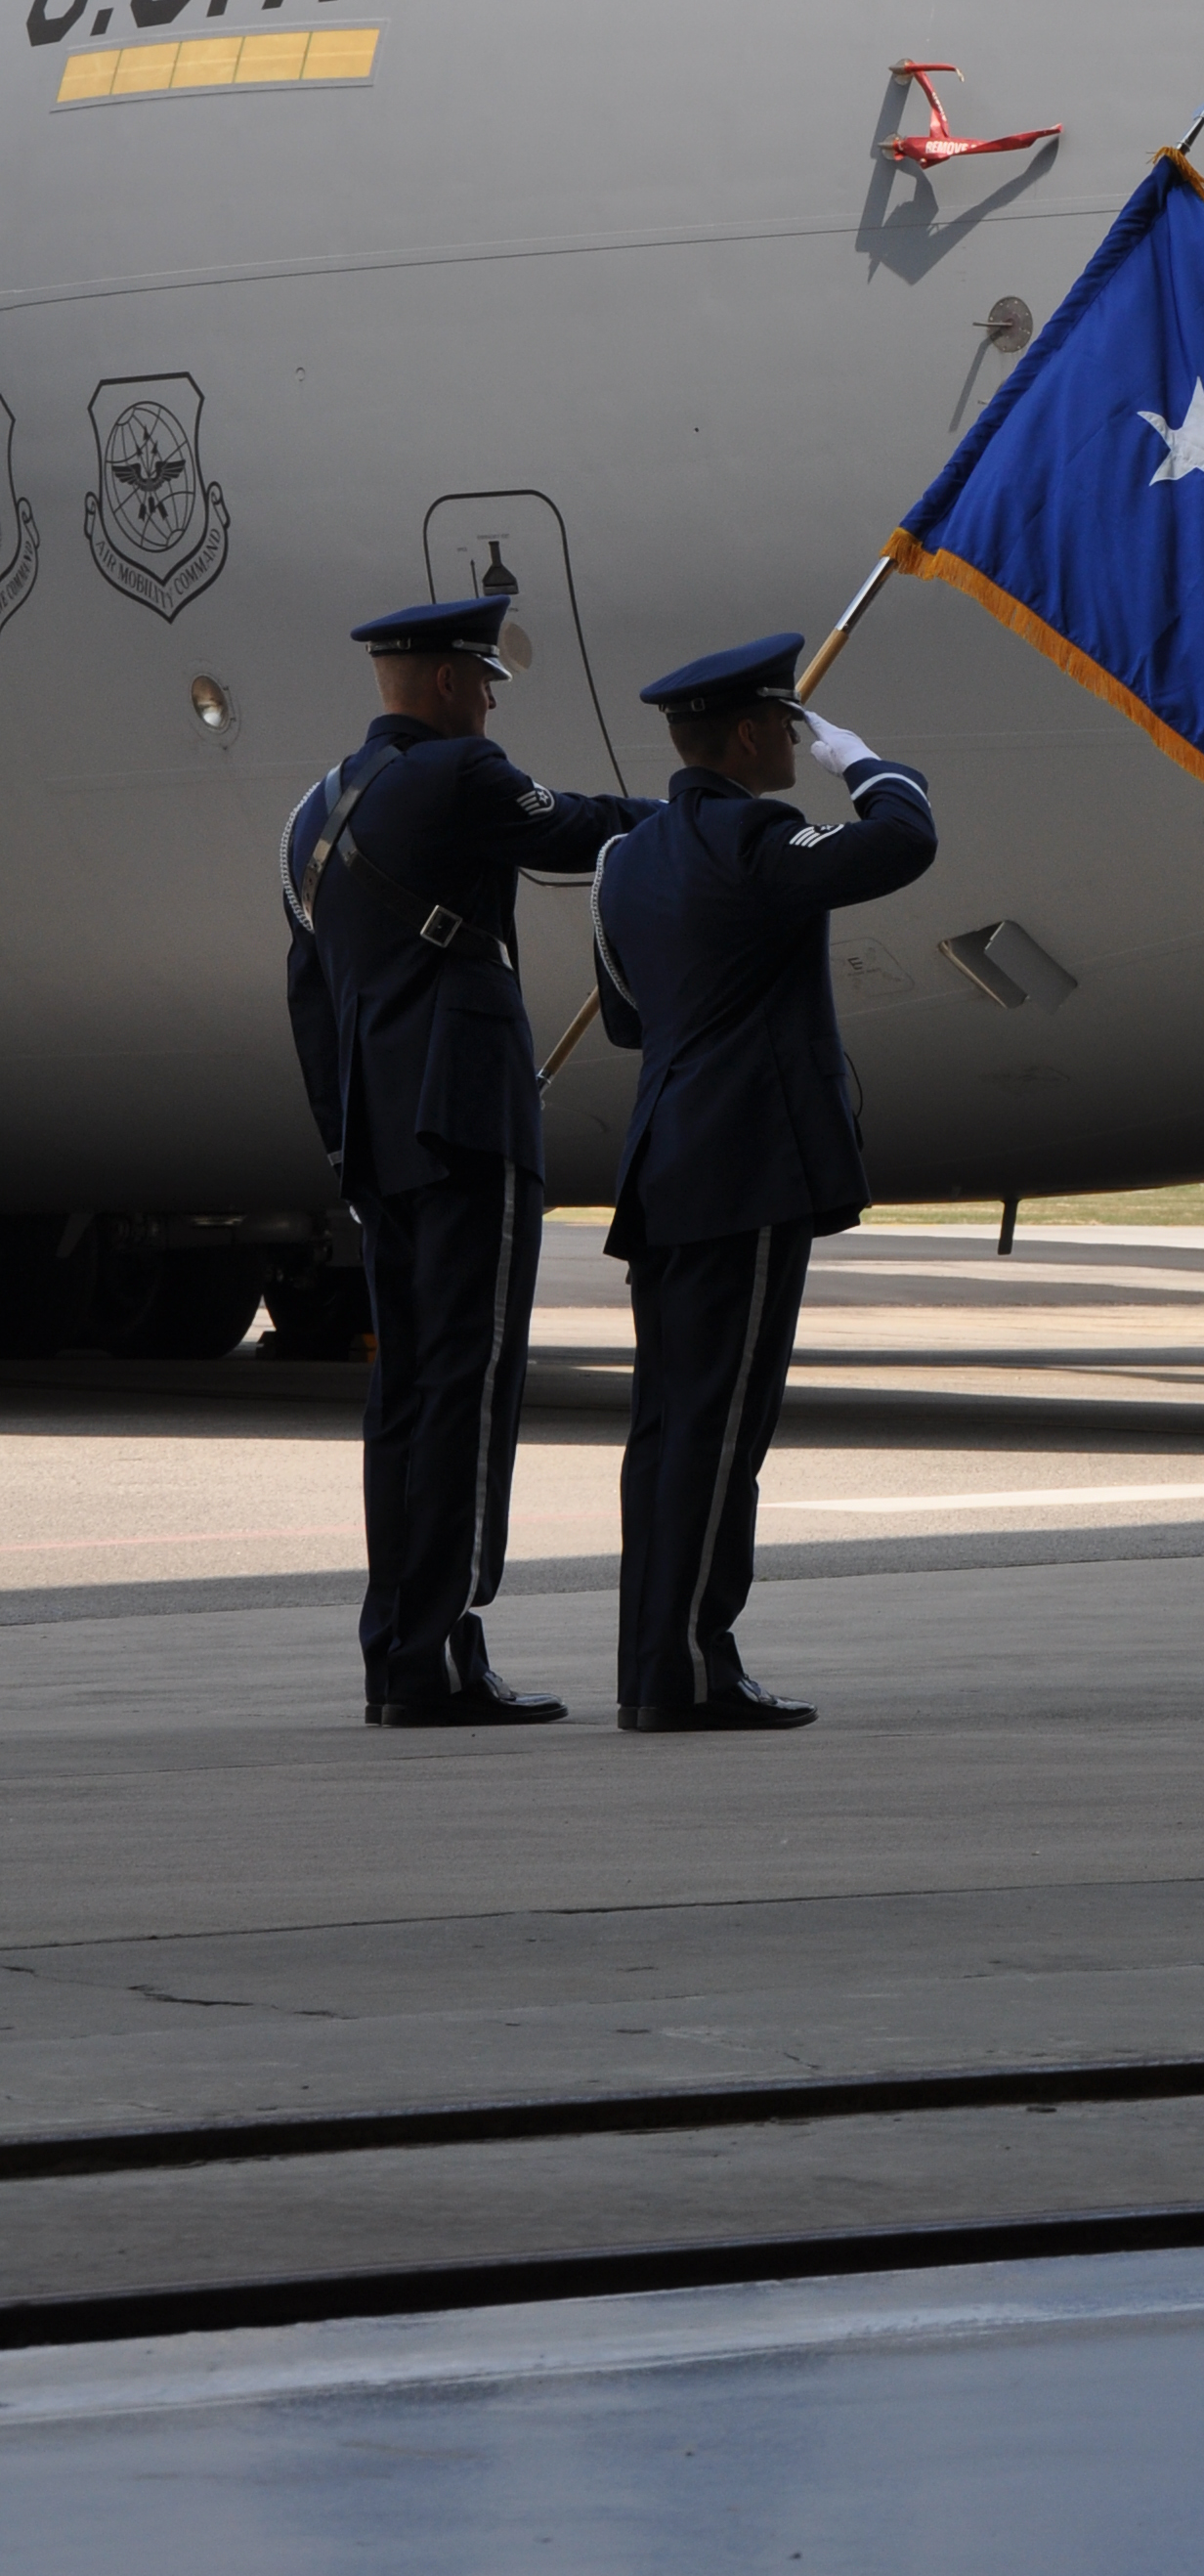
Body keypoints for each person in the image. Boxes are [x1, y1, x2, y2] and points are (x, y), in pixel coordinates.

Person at [282, 595, 659, 1726]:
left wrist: (345, 1135)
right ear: (448, 683)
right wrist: (697, 816)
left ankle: (397, 1648)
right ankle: (442, 1645)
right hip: (468, 1121)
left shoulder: (313, 812)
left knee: (404, 1391)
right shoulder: (462, 774)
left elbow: (307, 996)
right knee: (473, 1382)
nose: (491, 700)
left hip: (381, 1134)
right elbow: (583, 827)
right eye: (485, 680)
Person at [590, 635, 936, 1731]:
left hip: (665, 1159)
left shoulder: (628, 856)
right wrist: (871, 763)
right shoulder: (757, 832)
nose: (797, 737)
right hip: (742, 1164)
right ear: (748, 735)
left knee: (670, 1428)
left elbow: (626, 1017)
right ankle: (692, 1666)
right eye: (789, 725)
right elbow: (900, 844)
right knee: (721, 1432)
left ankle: (657, 1662)